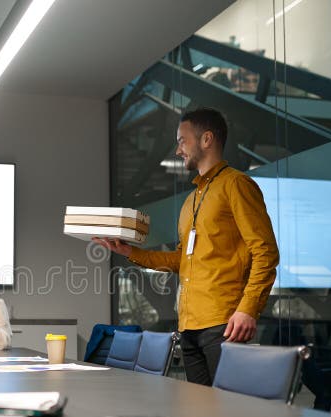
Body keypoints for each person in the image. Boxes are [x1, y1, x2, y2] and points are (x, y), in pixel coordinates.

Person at [94, 108, 279, 386]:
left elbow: (266, 251)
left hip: (225, 323)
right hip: (189, 325)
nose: (178, 150)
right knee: (200, 413)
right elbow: (181, 260)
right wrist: (130, 252)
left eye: (182, 140)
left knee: (232, 414)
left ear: (206, 139)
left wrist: (248, 309)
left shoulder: (236, 185)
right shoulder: (190, 201)